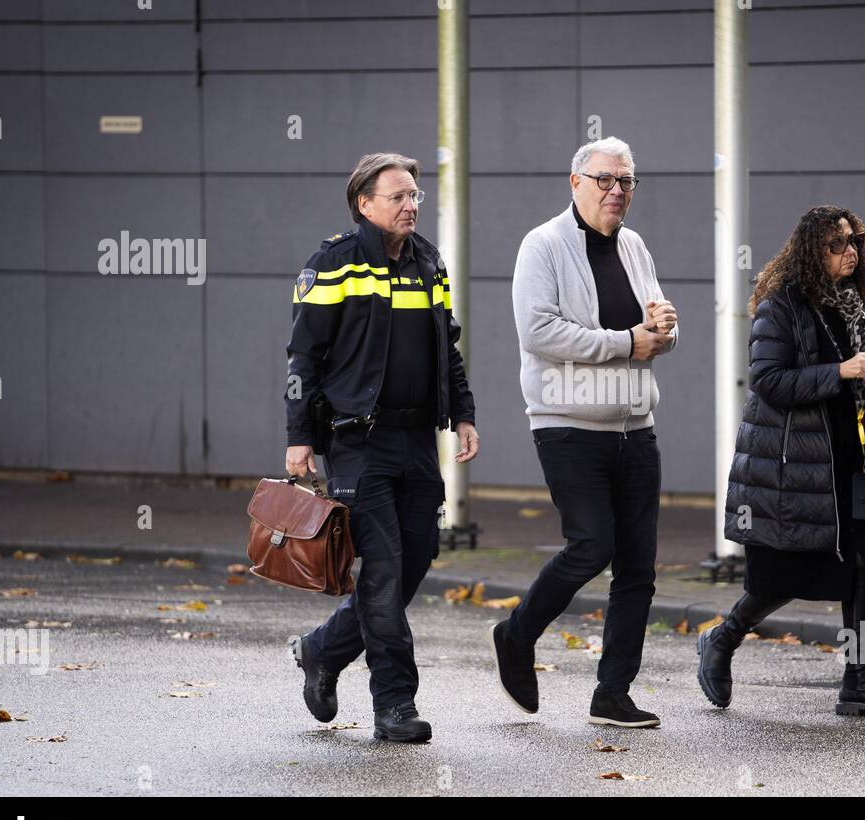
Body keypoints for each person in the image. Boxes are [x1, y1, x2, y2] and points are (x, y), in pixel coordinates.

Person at [283, 152, 479, 743]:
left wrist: (463, 415)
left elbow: (448, 348)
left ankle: (322, 648)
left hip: (417, 439)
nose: (411, 205)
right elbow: (303, 359)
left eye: (415, 195)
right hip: (357, 443)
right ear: (365, 204)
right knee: (384, 571)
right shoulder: (334, 262)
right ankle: (394, 703)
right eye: (398, 196)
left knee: (415, 560)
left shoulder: (428, 262)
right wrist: (299, 438)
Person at [699, 204, 865, 718]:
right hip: (799, 464)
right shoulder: (782, 305)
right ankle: (721, 641)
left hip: (858, 455)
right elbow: (769, 382)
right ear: (811, 253)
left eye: (854, 242)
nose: (849, 252)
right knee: (781, 577)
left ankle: (859, 683)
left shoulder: (861, 305)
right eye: (836, 245)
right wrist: (840, 370)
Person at [490, 136, 679, 728]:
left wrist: (665, 328)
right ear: (575, 182)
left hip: (635, 424)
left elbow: (651, 327)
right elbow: (538, 331)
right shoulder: (542, 245)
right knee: (591, 545)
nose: (617, 191)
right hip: (568, 425)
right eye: (605, 180)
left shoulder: (635, 246)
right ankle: (517, 634)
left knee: (639, 568)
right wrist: (626, 341)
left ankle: (612, 693)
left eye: (626, 181)